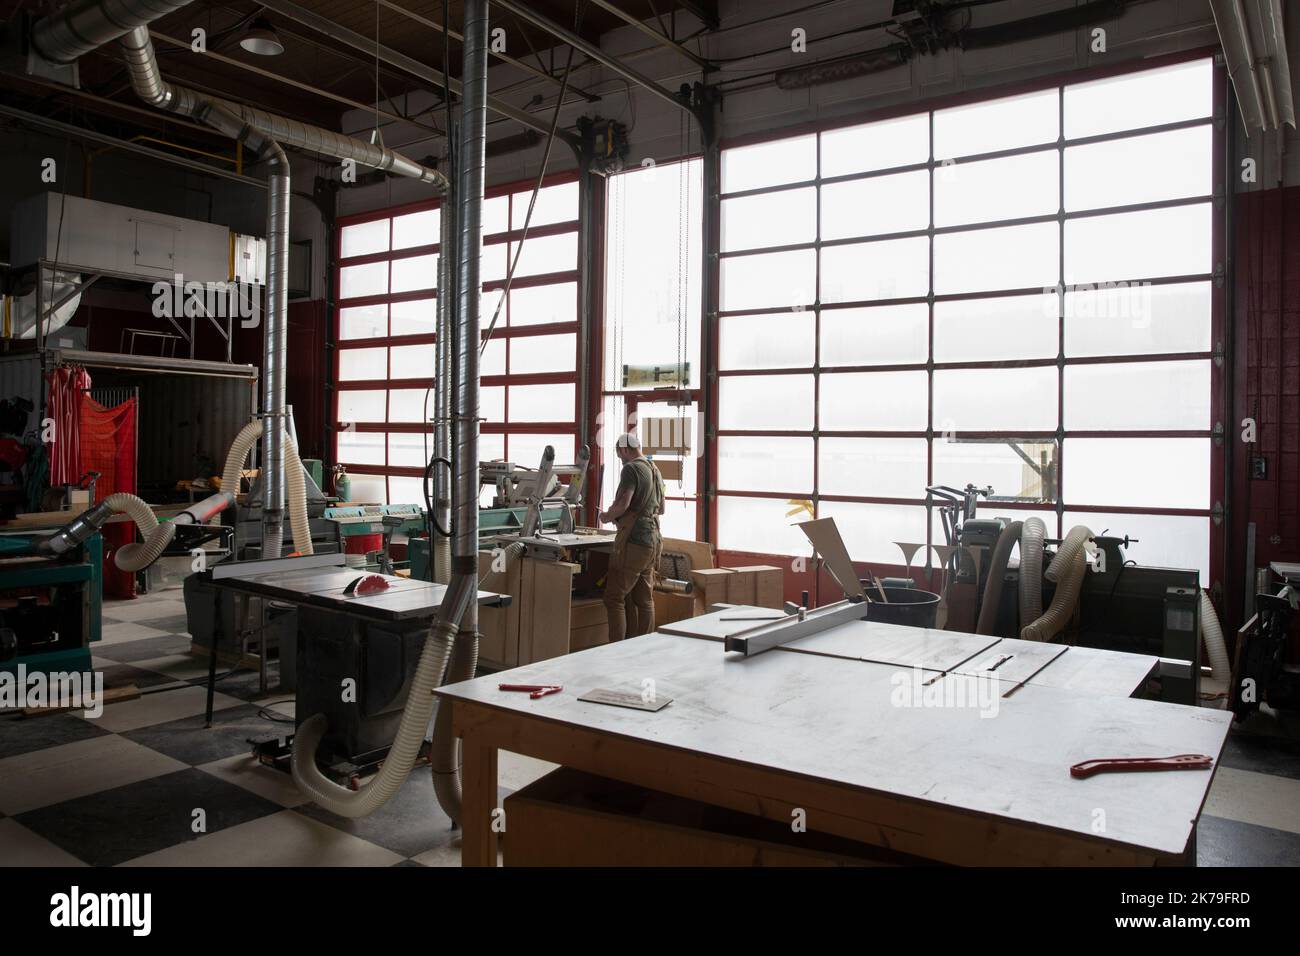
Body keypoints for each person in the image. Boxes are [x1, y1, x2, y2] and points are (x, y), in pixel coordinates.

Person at [599, 433, 665, 641]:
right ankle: (643, 647)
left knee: (614, 598)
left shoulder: (631, 469)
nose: (621, 459)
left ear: (625, 450)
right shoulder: (654, 470)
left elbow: (623, 503)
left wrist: (607, 515)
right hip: (652, 541)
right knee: (644, 599)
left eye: (620, 455)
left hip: (634, 542)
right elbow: (661, 508)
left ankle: (615, 649)